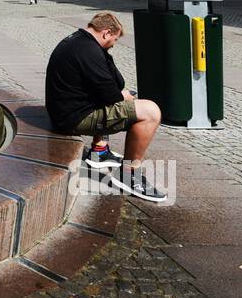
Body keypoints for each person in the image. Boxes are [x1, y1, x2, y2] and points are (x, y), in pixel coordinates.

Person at [44, 12, 167, 202]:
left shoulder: (78, 41)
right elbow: (112, 95)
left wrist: (121, 89)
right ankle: (129, 174)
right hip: (73, 119)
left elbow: (115, 83)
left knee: (128, 96)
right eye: (114, 39)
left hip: (65, 111)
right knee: (151, 112)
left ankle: (99, 151)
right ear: (106, 33)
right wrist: (123, 95)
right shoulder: (89, 51)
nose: (114, 44)